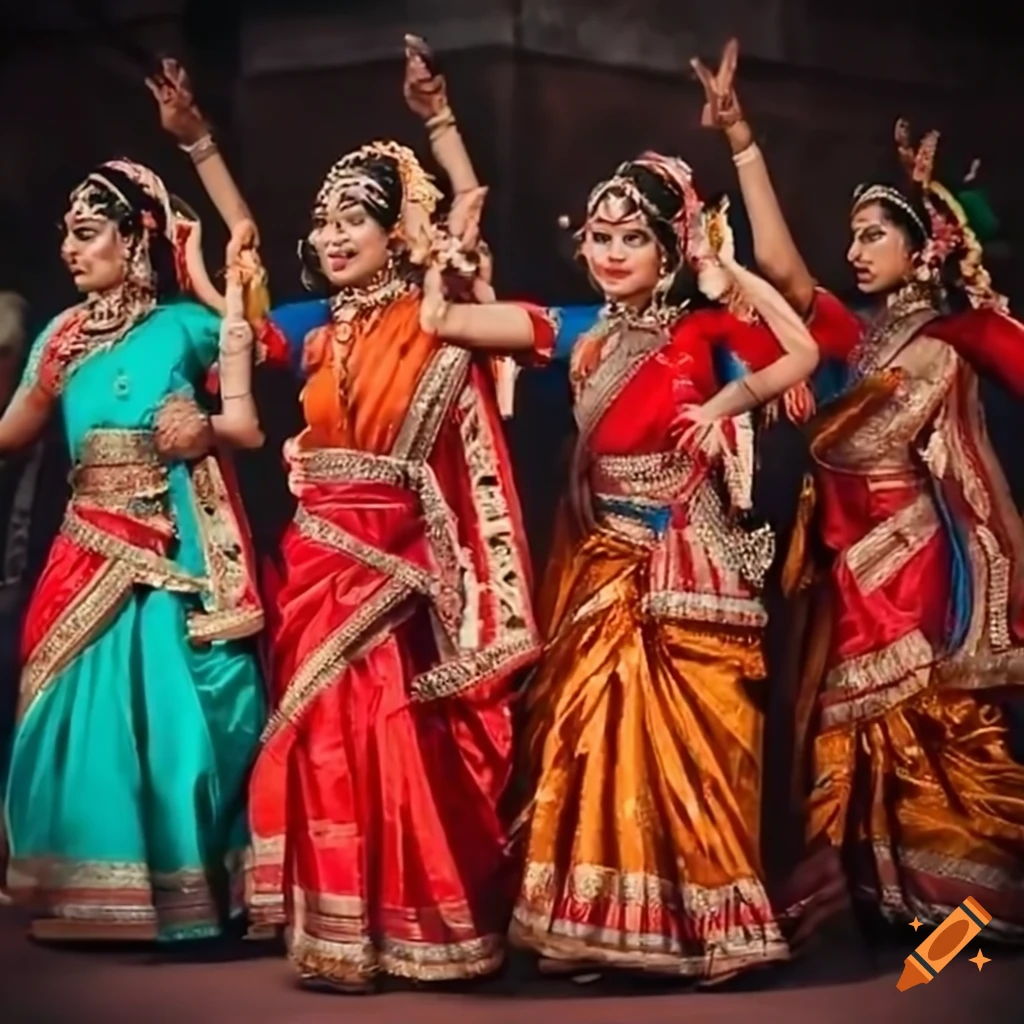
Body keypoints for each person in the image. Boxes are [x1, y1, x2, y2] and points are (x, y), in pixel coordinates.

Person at [148, 46, 539, 989]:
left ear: (398, 231)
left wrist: (442, 127)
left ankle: (422, 926)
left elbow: (467, 229)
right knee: (321, 738)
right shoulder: (319, 330)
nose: (328, 236)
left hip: (400, 559)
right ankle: (339, 933)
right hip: (317, 556)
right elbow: (243, 301)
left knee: (391, 732)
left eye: (351, 219)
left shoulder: (434, 320)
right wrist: (199, 144)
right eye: (322, 222)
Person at [423, 151, 851, 982]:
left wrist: (724, 328)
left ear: (669, 248)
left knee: (689, 745)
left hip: (686, 555)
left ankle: (709, 925)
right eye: (599, 237)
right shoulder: (582, 331)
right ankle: (597, 922)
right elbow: (446, 324)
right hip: (599, 556)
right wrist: (446, 256)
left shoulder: (702, 328)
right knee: (585, 738)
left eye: (631, 239)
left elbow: (799, 351)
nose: (612, 253)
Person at [695, 39, 1024, 942]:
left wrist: (965, 230)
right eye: (854, 236)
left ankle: (968, 905)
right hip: (847, 561)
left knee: (924, 730)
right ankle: (893, 900)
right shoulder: (857, 334)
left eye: (874, 234)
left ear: (926, 251)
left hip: (913, 556)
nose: (855, 250)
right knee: (856, 732)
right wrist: (740, 140)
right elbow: (787, 275)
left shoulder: (960, 336)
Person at [0, 159, 268, 942]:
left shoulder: (187, 326)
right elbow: (14, 432)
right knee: (67, 707)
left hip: (174, 547)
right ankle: (90, 892)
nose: (71, 253)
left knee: (178, 708)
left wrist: (208, 426)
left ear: (136, 239)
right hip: (85, 543)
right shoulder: (59, 338)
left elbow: (254, 368)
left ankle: (183, 895)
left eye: (88, 235)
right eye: (68, 237)